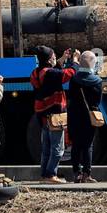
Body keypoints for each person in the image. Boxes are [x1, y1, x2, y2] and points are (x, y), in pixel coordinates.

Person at [30, 46, 76, 183]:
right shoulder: (50, 74)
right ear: (50, 59)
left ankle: (44, 175)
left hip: (43, 114)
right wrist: (75, 61)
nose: (55, 57)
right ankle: (51, 175)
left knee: (46, 148)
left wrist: (62, 59)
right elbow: (68, 73)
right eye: (54, 55)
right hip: (55, 115)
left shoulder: (37, 72)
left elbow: (54, 71)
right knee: (58, 149)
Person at [68, 50, 104, 183]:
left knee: (76, 145)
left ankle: (76, 173)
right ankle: (87, 174)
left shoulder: (74, 79)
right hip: (90, 116)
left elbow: (70, 96)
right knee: (88, 145)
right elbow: (98, 101)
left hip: (74, 115)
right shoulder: (97, 81)